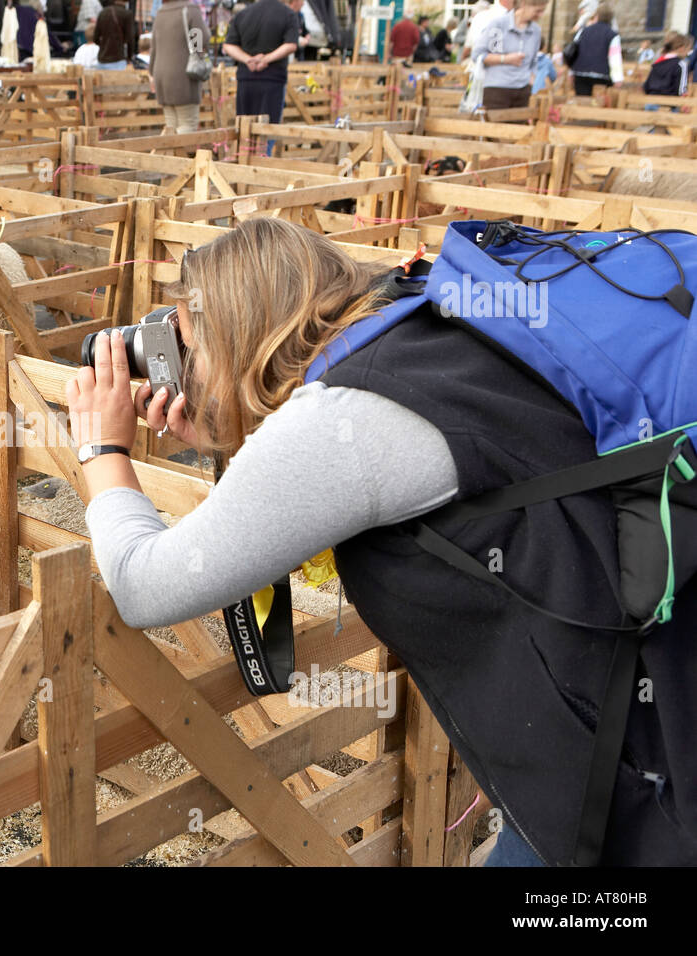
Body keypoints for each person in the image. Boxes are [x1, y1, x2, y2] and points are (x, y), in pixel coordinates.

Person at [64, 215, 697, 867]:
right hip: (621, 712)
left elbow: (143, 584)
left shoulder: (342, 421)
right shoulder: (417, 317)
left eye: (191, 348)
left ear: (240, 337)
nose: (185, 372)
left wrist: (100, 446)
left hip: (636, 772)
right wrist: (231, 424)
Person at [222, 0, 297, 123]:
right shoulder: (288, 14)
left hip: (246, 78)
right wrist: (266, 59)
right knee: (268, 128)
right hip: (273, 78)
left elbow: (228, 45)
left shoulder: (243, 14)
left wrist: (248, 60)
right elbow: (290, 45)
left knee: (246, 129)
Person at [473, 0, 545, 110]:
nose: (541, 15)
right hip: (496, 89)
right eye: (538, 11)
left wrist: (531, 80)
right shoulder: (498, 25)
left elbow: (534, 61)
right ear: (524, 4)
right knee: (494, 127)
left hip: (523, 91)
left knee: (520, 127)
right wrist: (506, 59)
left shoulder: (536, 31)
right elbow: (478, 55)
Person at [148, 0, 207, 133]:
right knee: (188, 123)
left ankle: (164, 151)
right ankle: (162, 151)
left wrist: (151, 73)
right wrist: (200, 54)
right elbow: (201, 39)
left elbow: (154, 48)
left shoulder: (161, 12)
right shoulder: (190, 10)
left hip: (161, 74)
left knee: (171, 125)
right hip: (184, 74)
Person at [567, 2, 620, 96]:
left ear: (597, 15)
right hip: (601, 76)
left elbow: (573, 52)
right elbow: (615, 58)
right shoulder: (612, 35)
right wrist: (617, 79)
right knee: (597, 107)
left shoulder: (583, 31)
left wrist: (571, 72)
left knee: (581, 104)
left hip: (580, 73)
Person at [642, 32, 692, 97]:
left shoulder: (658, 62)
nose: (688, 52)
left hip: (650, 101)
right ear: (681, 48)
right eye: (688, 49)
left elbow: (646, 86)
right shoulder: (681, 64)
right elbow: (681, 91)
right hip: (670, 102)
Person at [93, 0, 135, 70]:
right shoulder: (127, 14)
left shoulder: (103, 12)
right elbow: (130, 39)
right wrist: (129, 57)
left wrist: (104, 46)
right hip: (118, 58)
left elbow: (95, 38)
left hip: (102, 59)